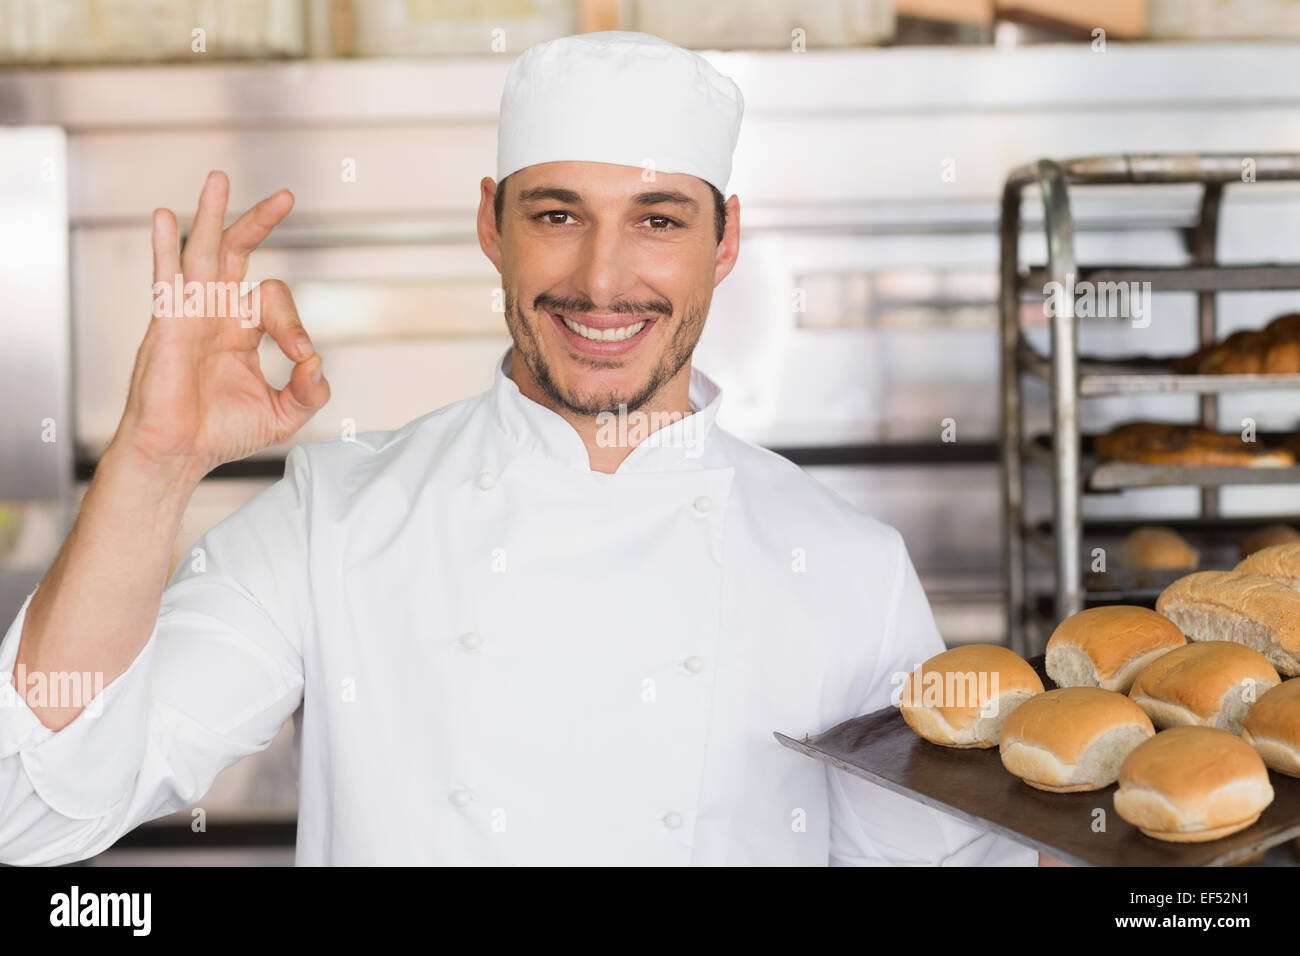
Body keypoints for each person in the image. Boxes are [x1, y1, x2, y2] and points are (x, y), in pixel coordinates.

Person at [0, 30, 1041, 866]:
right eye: (557, 214)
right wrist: (152, 461)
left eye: (657, 221)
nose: (600, 279)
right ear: (491, 227)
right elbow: (33, 814)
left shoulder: (847, 565)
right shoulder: (338, 516)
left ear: (724, 245)